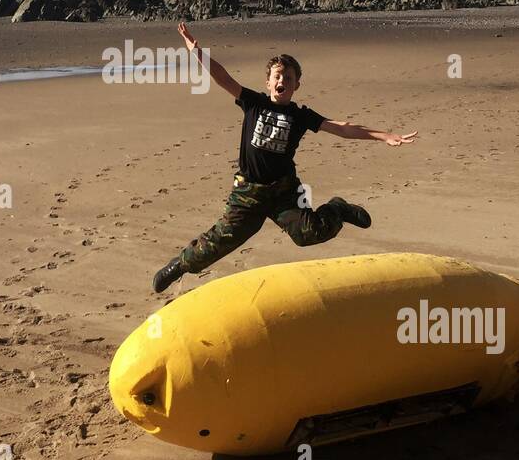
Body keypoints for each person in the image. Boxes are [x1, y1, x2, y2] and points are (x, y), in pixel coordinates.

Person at [152, 22, 418, 293]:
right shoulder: (253, 102)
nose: (282, 81)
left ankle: (337, 208)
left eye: (288, 78)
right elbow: (223, 78)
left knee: (309, 235)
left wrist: (383, 135)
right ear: (268, 82)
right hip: (248, 193)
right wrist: (197, 52)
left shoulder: (301, 116)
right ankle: (178, 266)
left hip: (284, 192)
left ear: (296, 85)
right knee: (218, 242)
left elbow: (342, 127)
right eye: (278, 76)